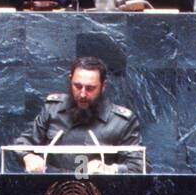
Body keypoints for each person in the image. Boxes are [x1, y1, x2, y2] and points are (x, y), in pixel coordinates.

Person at [13, 57, 143, 174]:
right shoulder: (52, 109)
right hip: (52, 192)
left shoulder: (122, 121)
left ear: (103, 86)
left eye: (90, 88)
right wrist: (28, 157)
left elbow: (140, 166)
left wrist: (111, 169)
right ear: (70, 81)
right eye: (77, 86)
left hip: (100, 193)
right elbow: (22, 144)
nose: (82, 94)